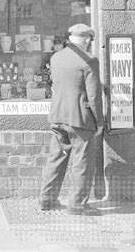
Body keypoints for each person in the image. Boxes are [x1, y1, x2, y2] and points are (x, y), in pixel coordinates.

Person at [39, 23, 104, 216]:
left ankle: (47, 200)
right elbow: (94, 95)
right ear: (86, 40)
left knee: (56, 159)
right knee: (82, 162)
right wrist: (99, 122)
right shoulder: (90, 60)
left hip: (58, 116)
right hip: (80, 119)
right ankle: (77, 205)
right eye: (89, 41)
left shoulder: (56, 57)